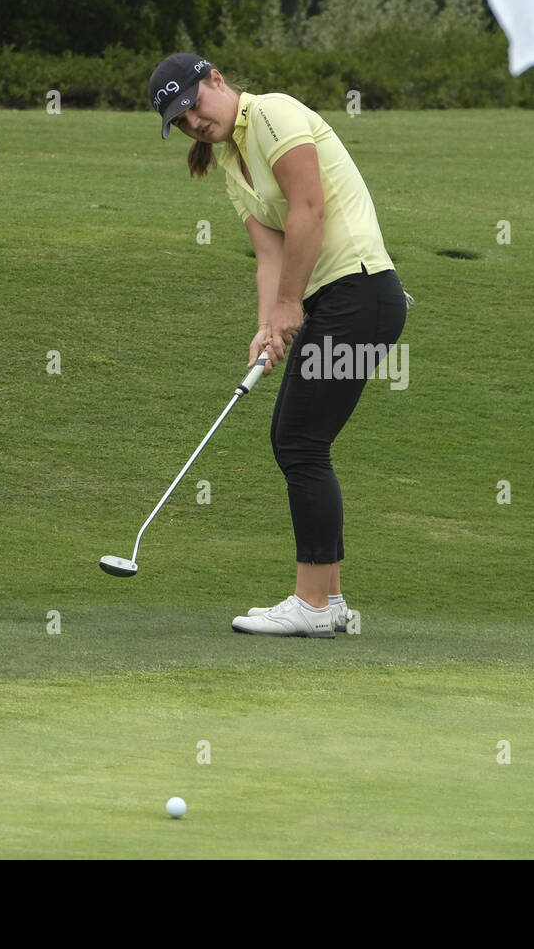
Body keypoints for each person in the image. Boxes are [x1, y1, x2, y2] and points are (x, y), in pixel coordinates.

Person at [147, 53, 408, 638]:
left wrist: (291, 306)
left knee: (299, 441)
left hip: (360, 294)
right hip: (343, 303)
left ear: (215, 80)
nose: (193, 123)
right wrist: (269, 324)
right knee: (299, 440)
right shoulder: (231, 164)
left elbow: (308, 210)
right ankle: (329, 602)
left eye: (194, 106)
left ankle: (313, 605)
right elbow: (269, 254)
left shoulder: (273, 114)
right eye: (180, 121)